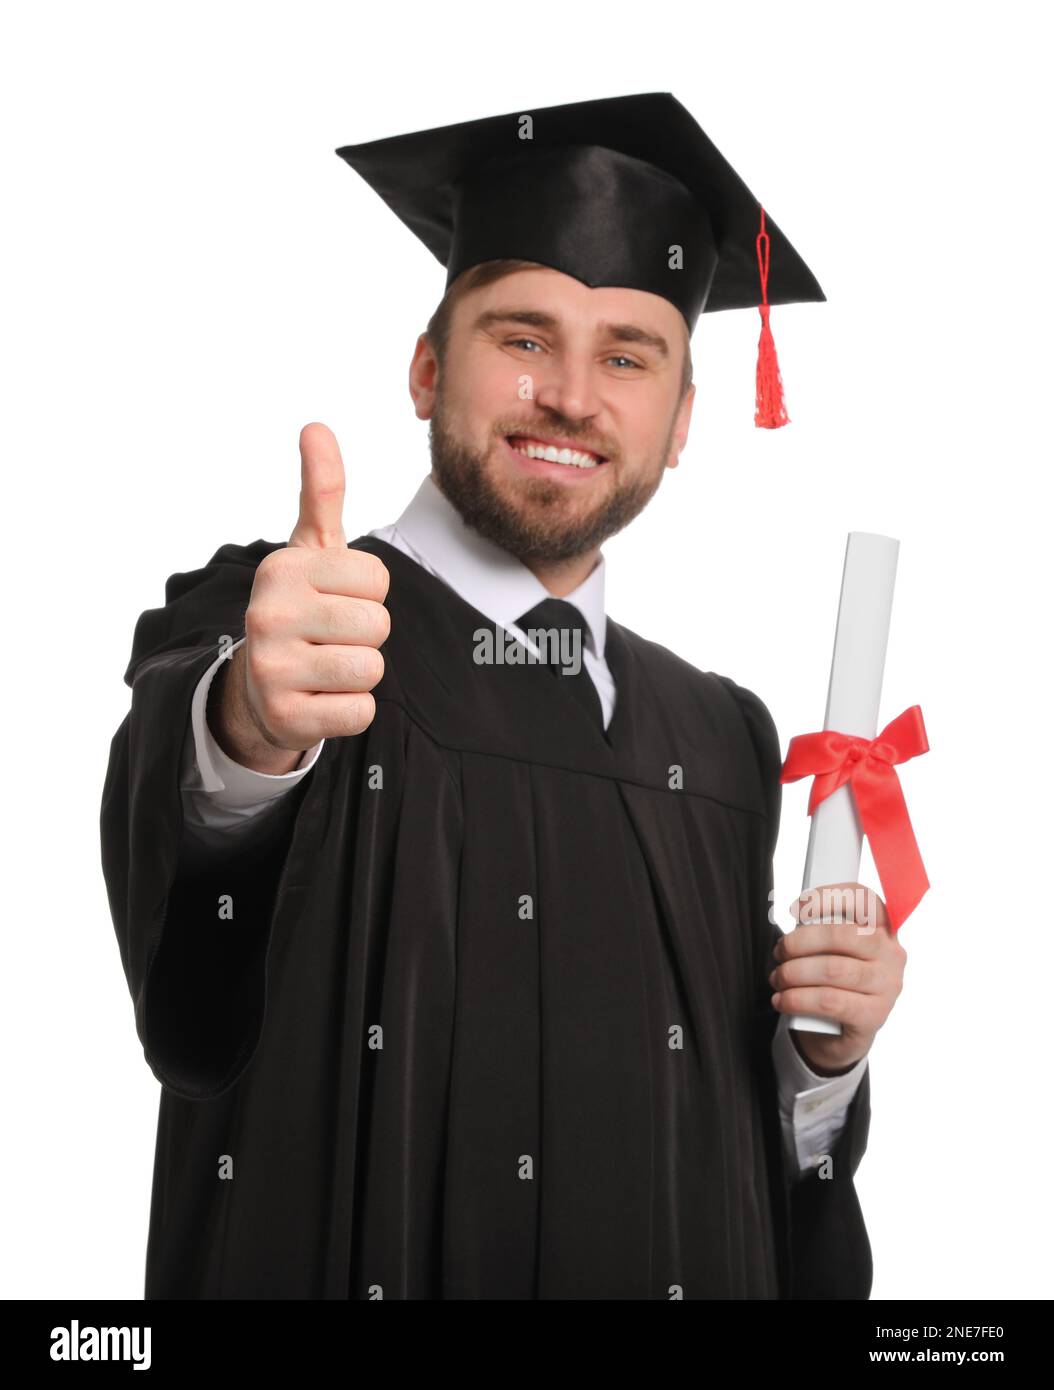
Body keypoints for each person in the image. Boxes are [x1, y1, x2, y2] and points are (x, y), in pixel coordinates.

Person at [100, 93, 905, 1299]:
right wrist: (250, 732)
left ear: (680, 422)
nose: (573, 398)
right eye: (523, 337)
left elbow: (755, 1166)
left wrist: (819, 1061)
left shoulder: (722, 736)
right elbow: (195, 930)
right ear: (428, 369)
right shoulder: (281, 620)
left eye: (628, 356)